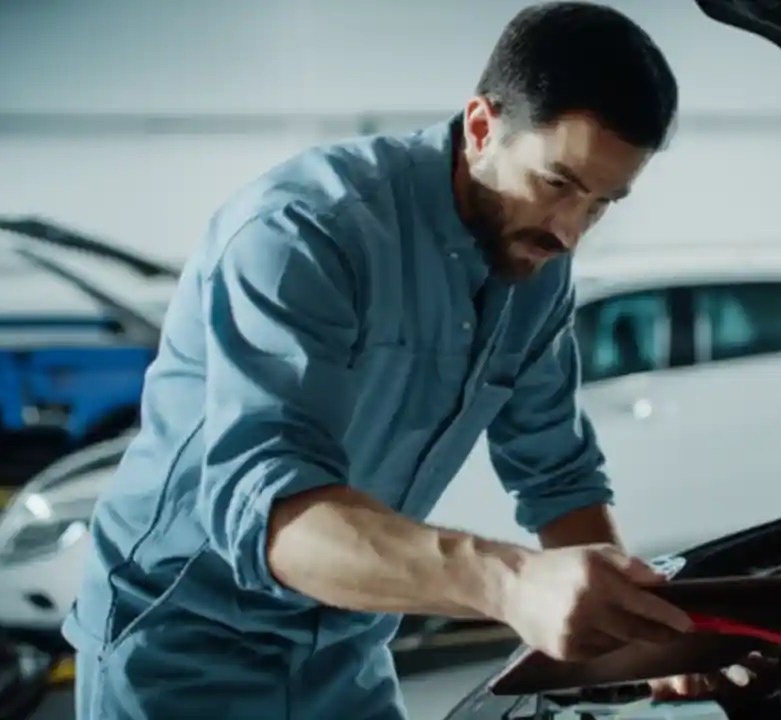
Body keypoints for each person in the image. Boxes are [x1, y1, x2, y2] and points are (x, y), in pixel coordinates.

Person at [64, 2, 715, 716]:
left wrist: (646, 632)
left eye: (602, 203)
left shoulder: (537, 267)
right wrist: (510, 583)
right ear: (481, 126)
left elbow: (559, 476)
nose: (571, 233)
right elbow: (272, 514)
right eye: (557, 183)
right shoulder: (305, 231)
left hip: (345, 651)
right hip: (181, 647)